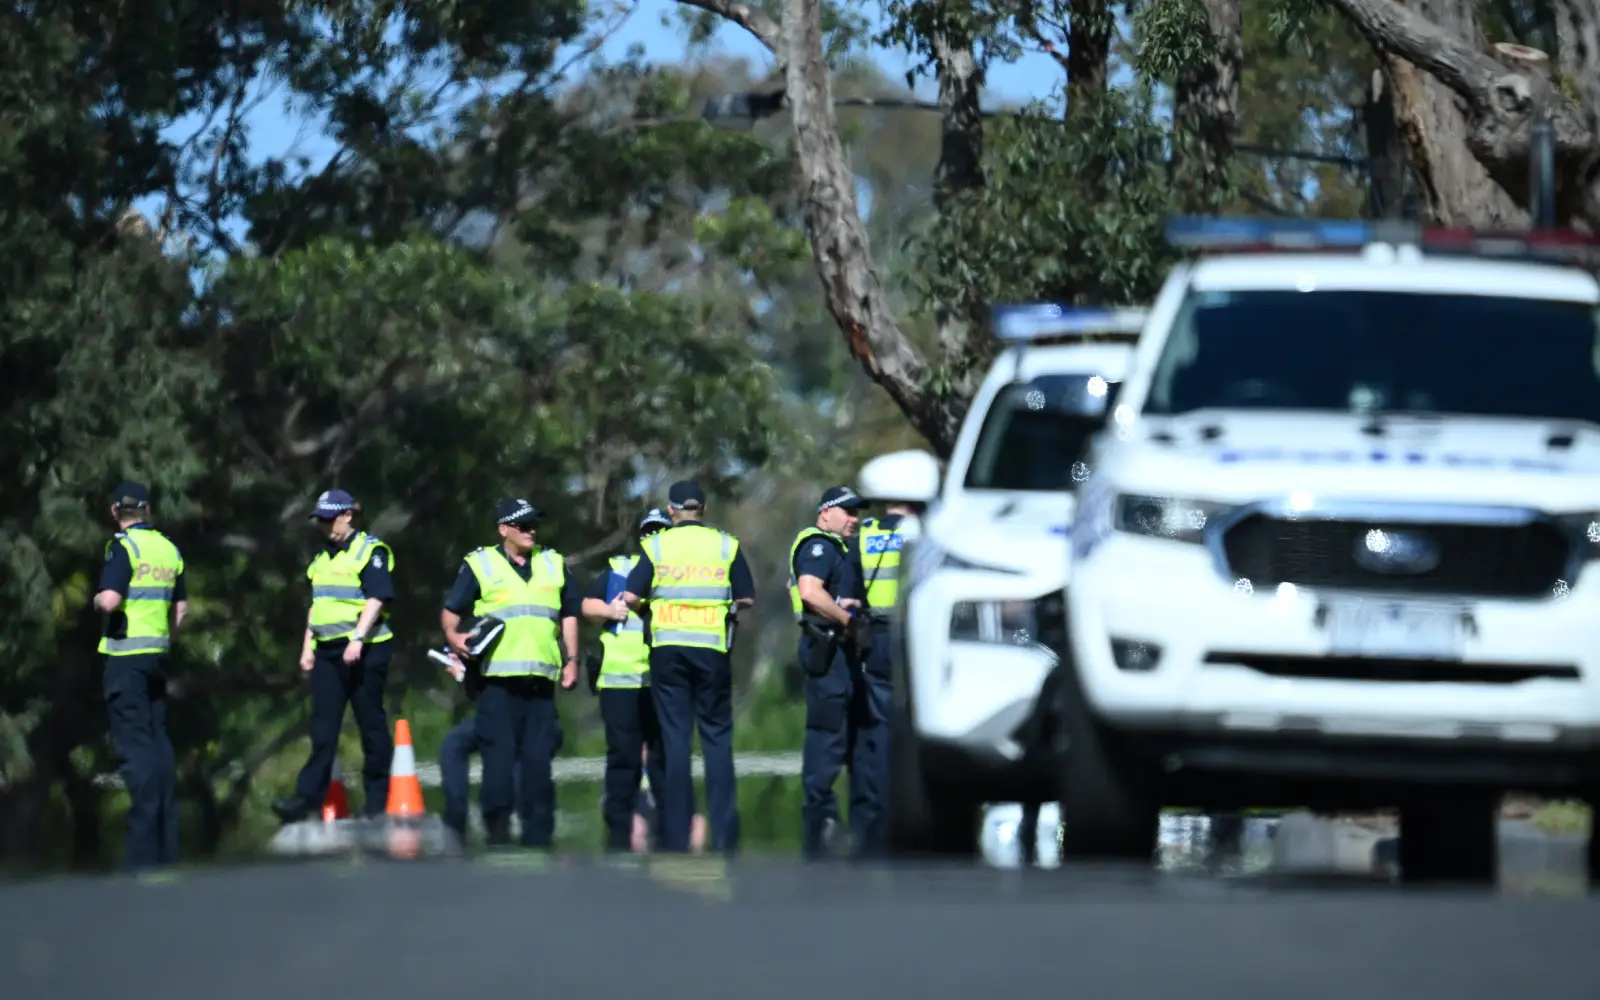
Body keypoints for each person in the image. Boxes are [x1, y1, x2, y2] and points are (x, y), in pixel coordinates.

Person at [622, 481, 755, 854]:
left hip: (668, 652)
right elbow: (746, 596)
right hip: (712, 650)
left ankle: (677, 835)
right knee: (717, 741)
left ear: (671, 511)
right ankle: (726, 835)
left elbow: (631, 596)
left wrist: (650, 610)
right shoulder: (726, 545)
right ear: (704, 509)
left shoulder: (657, 545)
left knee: (676, 743)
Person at [441, 498, 579, 847]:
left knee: (537, 767)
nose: (531, 530)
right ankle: (497, 832)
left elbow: (569, 613)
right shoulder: (480, 564)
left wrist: (572, 658)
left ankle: (538, 836)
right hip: (497, 686)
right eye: (522, 525)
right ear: (504, 529)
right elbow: (451, 611)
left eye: (534, 524)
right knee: (498, 765)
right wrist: (453, 637)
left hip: (540, 685)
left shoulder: (553, 562)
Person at [273, 489, 395, 824]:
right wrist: (307, 647)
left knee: (371, 723)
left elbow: (377, 598)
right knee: (323, 728)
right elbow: (317, 606)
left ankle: (377, 801)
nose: (325, 526)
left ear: (348, 516)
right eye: (320, 521)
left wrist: (358, 638)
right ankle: (306, 798)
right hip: (327, 653)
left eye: (330, 519)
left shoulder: (371, 552)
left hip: (365, 650)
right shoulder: (321, 560)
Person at [94, 482, 187, 869]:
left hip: (126, 661)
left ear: (116, 512)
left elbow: (111, 600)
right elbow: (181, 610)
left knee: (136, 751)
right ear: (147, 510)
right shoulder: (168, 549)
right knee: (159, 746)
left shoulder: (123, 548)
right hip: (156, 659)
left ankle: (142, 855)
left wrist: (98, 600)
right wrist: (165, 640)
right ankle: (167, 848)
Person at [790, 484, 876, 860]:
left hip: (842, 660)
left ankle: (854, 831)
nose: (854, 519)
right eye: (847, 511)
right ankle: (821, 829)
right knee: (826, 745)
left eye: (857, 512)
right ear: (825, 513)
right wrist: (847, 620)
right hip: (829, 656)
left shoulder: (839, 548)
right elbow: (810, 592)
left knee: (852, 745)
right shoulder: (819, 546)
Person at [582, 508, 671, 852]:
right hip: (620, 684)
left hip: (661, 683)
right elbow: (586, 605)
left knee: (664, 758)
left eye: (659, 531)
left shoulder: (676, 573)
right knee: (624, 760)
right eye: (648, 532)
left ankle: (668, 832)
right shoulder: (620, 570)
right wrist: (609, 611)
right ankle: (618, 837)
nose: (653, 537)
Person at [849, 495, 922, 857]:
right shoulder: (923, 532)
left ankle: (874, 825)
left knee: (876, 729)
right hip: (911, 636)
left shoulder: (865, 534)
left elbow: (849, 589)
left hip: (874, 637)